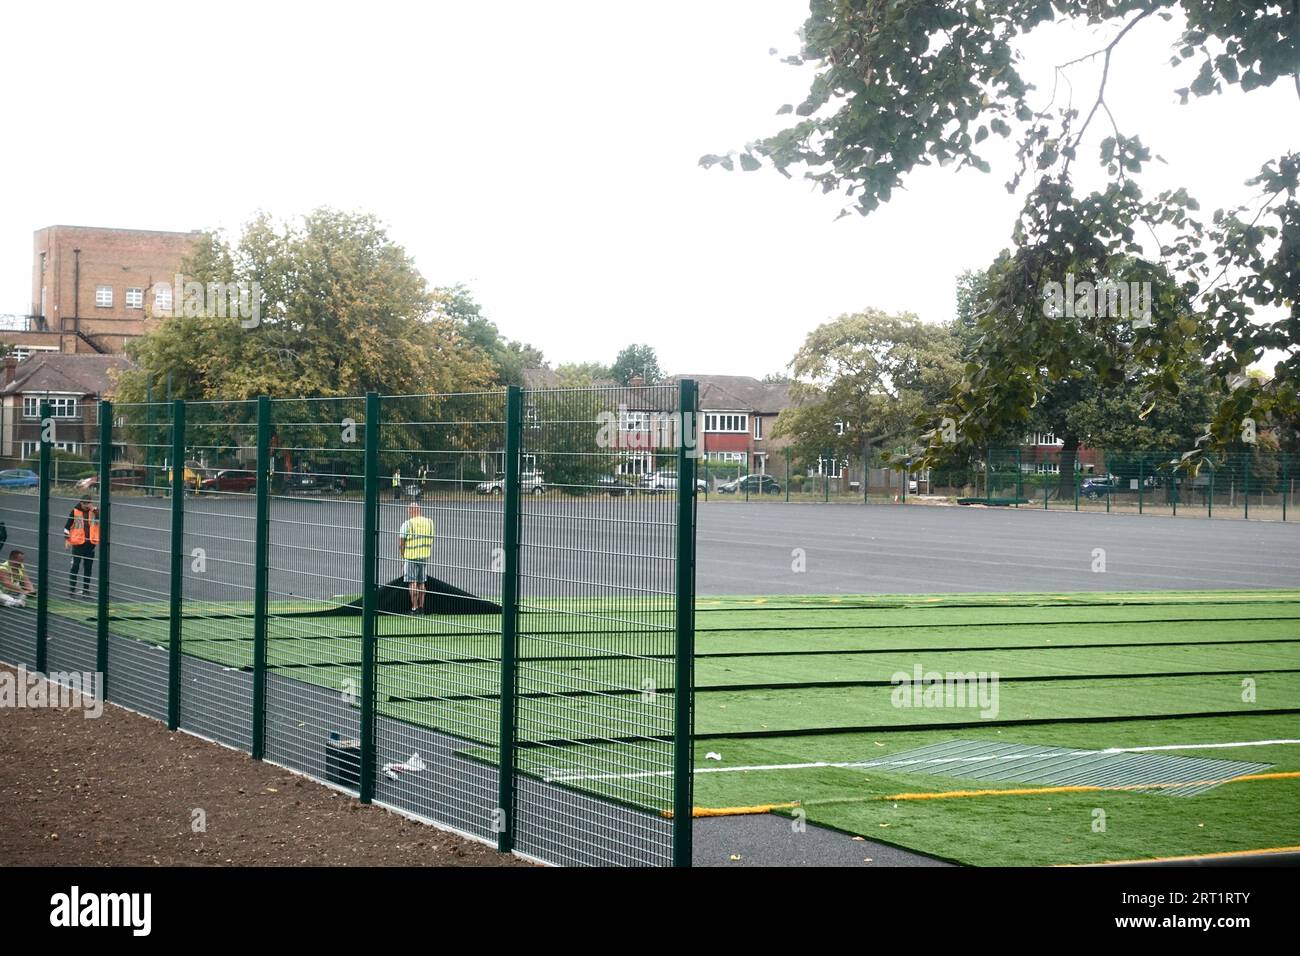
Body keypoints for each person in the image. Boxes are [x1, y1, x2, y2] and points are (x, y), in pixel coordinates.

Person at [397, 502, 435, 614]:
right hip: (424, 556)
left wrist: (403, 556)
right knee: (422, 582)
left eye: (409, 511)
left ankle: (414, 608)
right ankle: (422, 608)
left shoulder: (408, 524)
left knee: (412, 582)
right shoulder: (429, 522)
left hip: (411, 557)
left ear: (411, 511)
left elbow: (401, 544)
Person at [64, 497, 100, 598]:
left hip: (90, 544)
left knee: (88, 568)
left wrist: (94, 510)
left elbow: (100, 519)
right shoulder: (74, 511)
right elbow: (67, 527)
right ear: (81, 503)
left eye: (89, 503)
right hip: (78, 544)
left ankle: (86, 590)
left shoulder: (95, 511)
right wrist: (67, 540)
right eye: (85, 503)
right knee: (75, 566)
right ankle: (72, 589)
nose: (87, 505)